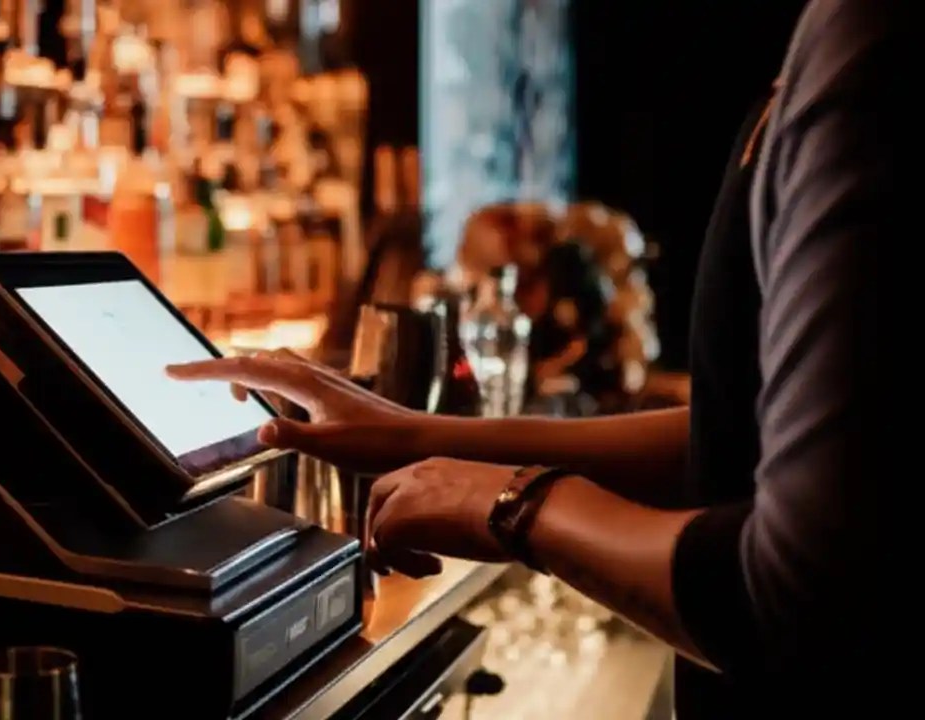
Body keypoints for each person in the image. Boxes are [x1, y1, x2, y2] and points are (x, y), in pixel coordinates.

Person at [168, 0, 897, 714]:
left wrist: (514, 505)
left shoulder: (869, 40)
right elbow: (751, 437)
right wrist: (421, 435)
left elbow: (797, 604)